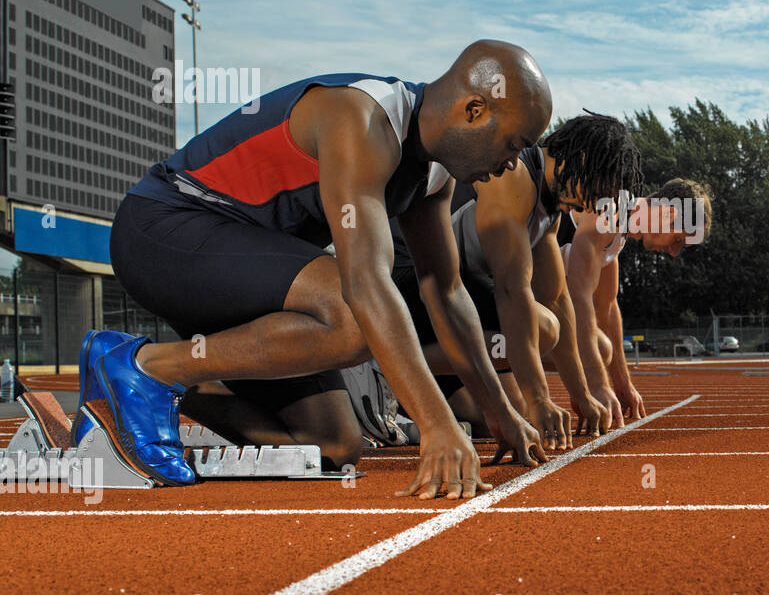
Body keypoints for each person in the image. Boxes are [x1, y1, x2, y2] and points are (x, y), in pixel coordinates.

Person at [90, 40, 548, 498]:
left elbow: (446, 293)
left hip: (239, 272)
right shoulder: (362, 116)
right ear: (473, 109)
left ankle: (143, 384)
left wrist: (500, 412)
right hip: (163, 228)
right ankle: (147, 368)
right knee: (353, 317)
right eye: (514, 144)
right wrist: (436, 424)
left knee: (329, 448)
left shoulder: (434, 175)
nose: (511, 163)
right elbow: (366, 283)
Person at [391, 113, 644, 453]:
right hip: (409, 278)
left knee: (493, 416)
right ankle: (386, 363)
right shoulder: (515, 179)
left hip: (457, 295)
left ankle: (415, 380)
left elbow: (556, 298)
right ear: (582, 161)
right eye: (597, 191)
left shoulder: (549, 208)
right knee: (543, 331)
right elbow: (512, 294)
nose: (590, 206)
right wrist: (540, 399)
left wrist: (581, 394)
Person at [558, 179, 712, 427]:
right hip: (496, 297)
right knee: (597, 345)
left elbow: (606, 308)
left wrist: (623, 384)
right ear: (670, 213)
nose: (674, 251)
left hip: (510, 304)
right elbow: (580, 298)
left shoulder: (619, 234)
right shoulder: (612, 212)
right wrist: (592, 387)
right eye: (678, 240)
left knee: (602, 346)